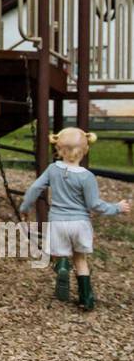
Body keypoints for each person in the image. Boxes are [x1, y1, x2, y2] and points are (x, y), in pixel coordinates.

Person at [20, 127, 130, 310]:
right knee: (80, 260)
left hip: (58, 222)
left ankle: (62, 265)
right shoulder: (87, 177)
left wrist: (25, 207)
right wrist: (116, 208)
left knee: (58, 254)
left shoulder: (52, 169)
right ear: (86, 150)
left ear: (58, 149)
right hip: (80, 223)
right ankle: (86, 299)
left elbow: (34, 189)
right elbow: (95, 204)